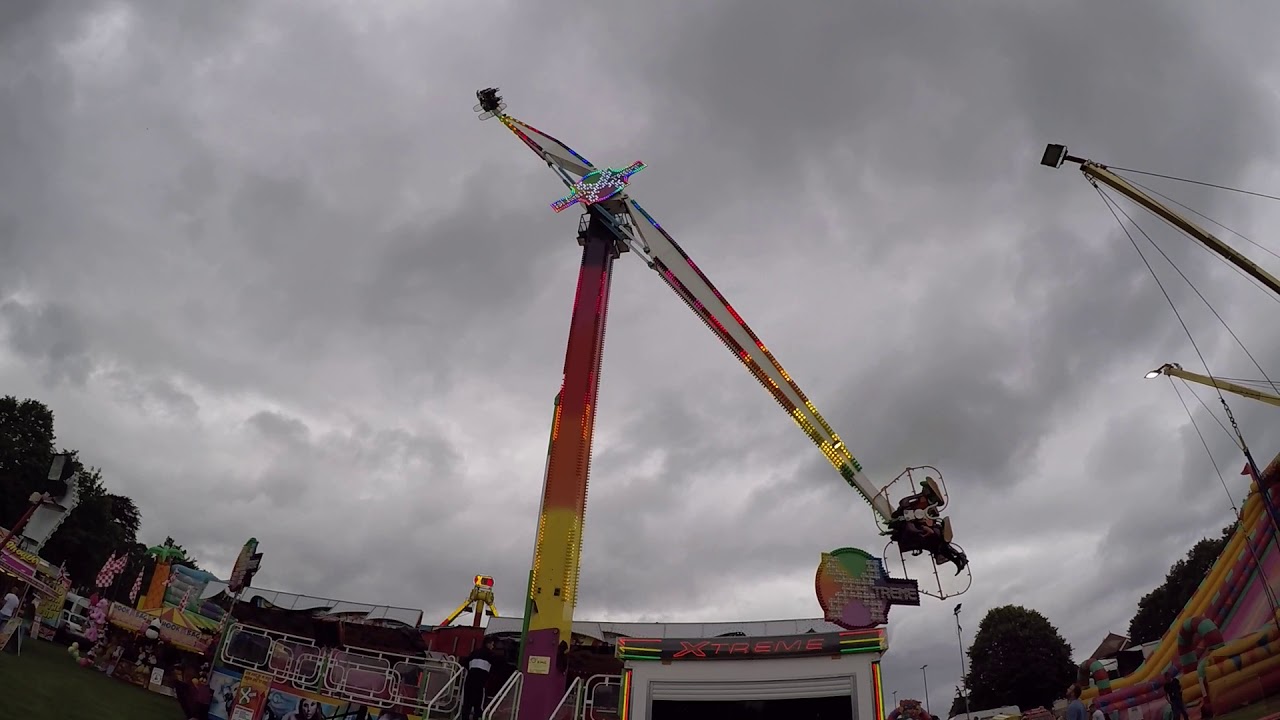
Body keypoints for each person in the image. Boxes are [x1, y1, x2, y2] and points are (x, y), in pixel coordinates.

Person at [460, 638, 500, 720]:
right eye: (492, 644)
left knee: (467, 703)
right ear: (488, 644)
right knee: (478, 704)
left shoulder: (474, 653)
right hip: (480, 683)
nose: (493, 646)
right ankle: (477, 717)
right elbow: (495, 670)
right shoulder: (491, 655)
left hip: (469, 681)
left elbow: (464, 662)